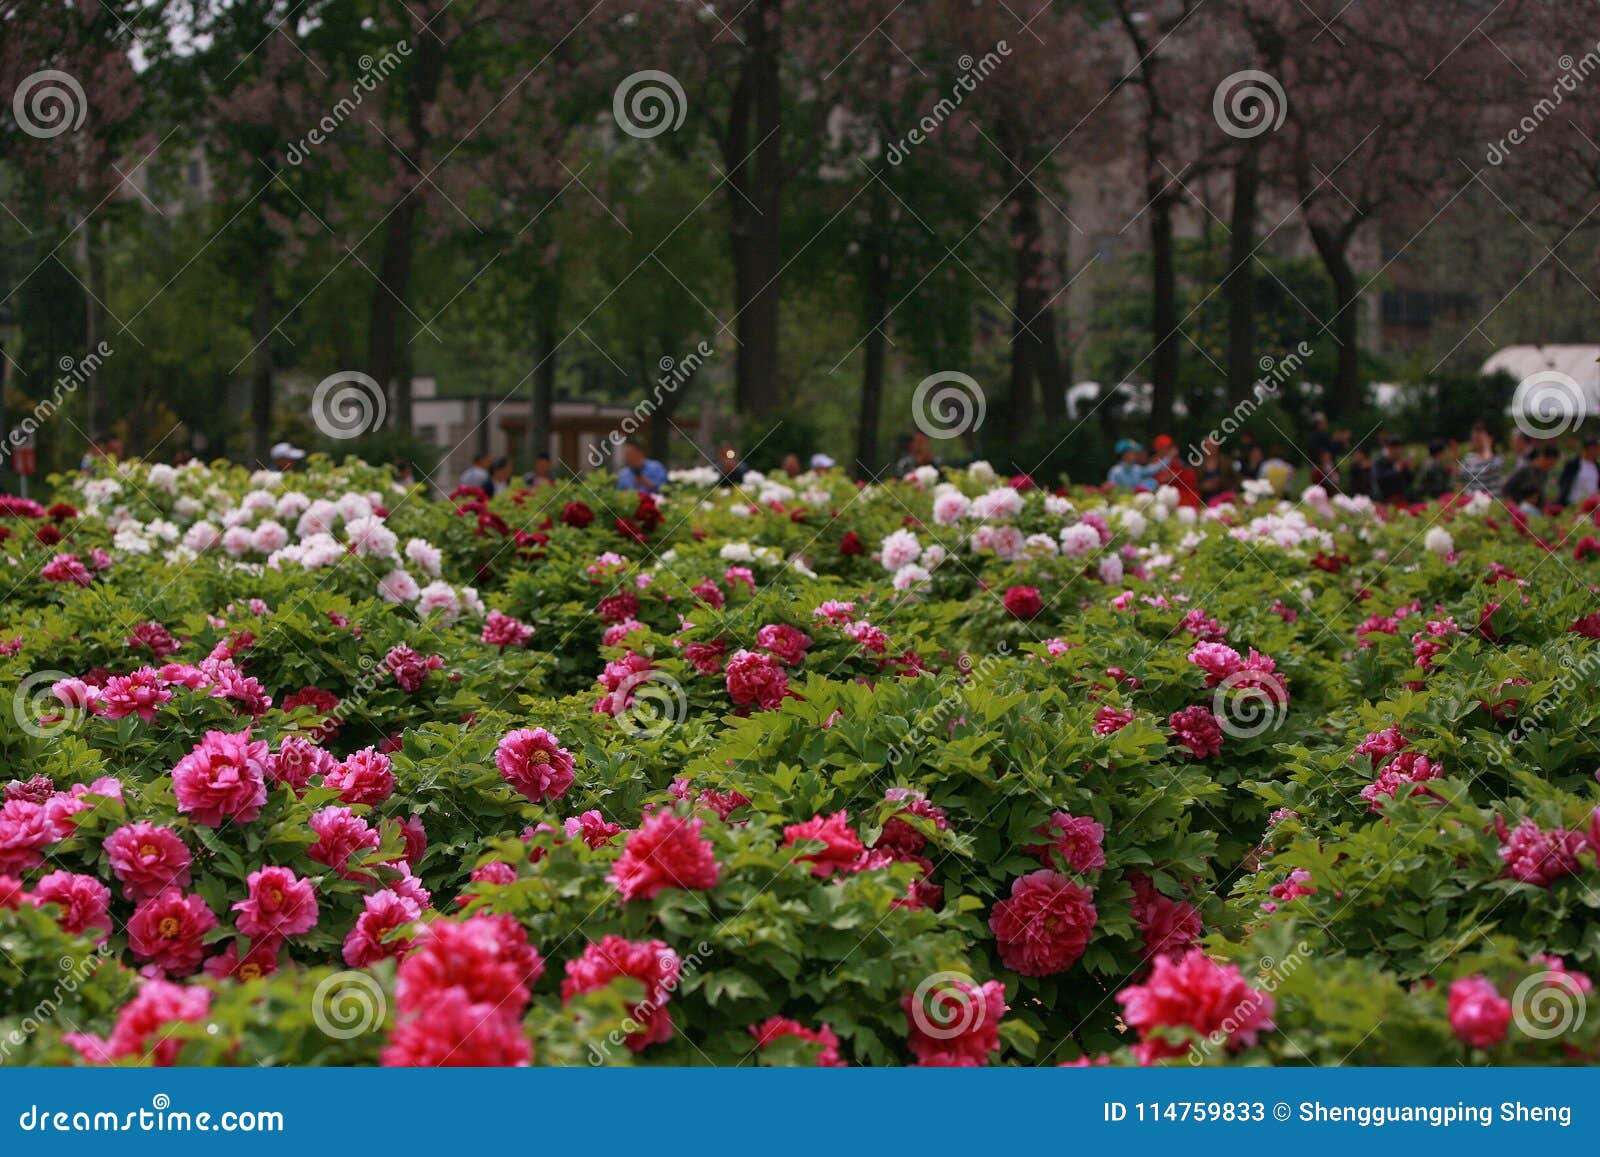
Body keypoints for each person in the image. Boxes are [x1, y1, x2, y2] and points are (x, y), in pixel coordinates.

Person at [1500, 444, 1559, 511]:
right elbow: (1506, 489)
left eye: (1552, 465)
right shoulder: (1525, 470)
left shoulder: (1544, 474)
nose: (1550, 467)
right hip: (1519, 508)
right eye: (1549, 464)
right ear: (1542, 457)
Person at [1151, 435, 1200, 507]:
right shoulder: (1155, 462)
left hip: (1183, 494)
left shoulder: (1176, 461)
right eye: (1165, 448)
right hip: (1166, 495)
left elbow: (1191, 477)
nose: (1168, 450)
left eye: (1169, 447)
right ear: (1158, 449)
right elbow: (1160, 480)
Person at [1457, 423, 1504, 495]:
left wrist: (1487, 447)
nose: (1475, 442)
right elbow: (1461, 479)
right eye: (1473, 439)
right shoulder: (1468, 458)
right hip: (1472, 499)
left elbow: (1490, 470)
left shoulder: (1498, 458)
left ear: (1489, 439)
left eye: (1478, 439)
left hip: (1492, 499)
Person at [1556, 436, 1600, 506]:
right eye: (1597, 449)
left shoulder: (1597, 467)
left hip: (1590, 505)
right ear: (1589, 448)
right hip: (1573, 503)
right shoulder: (1573, 464)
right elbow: (1563, 483)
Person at [1372, 437, 1412, 504]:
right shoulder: (1380, 462)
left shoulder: (1400, 461)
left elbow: (1408, 481)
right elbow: (1379, 478)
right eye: (1396, 450)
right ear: (1389, 449)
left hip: (1401, 499)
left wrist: (1409, 469)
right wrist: (1395, 470)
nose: (1399, 453)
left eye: (1400, 450)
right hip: (1384, 500)